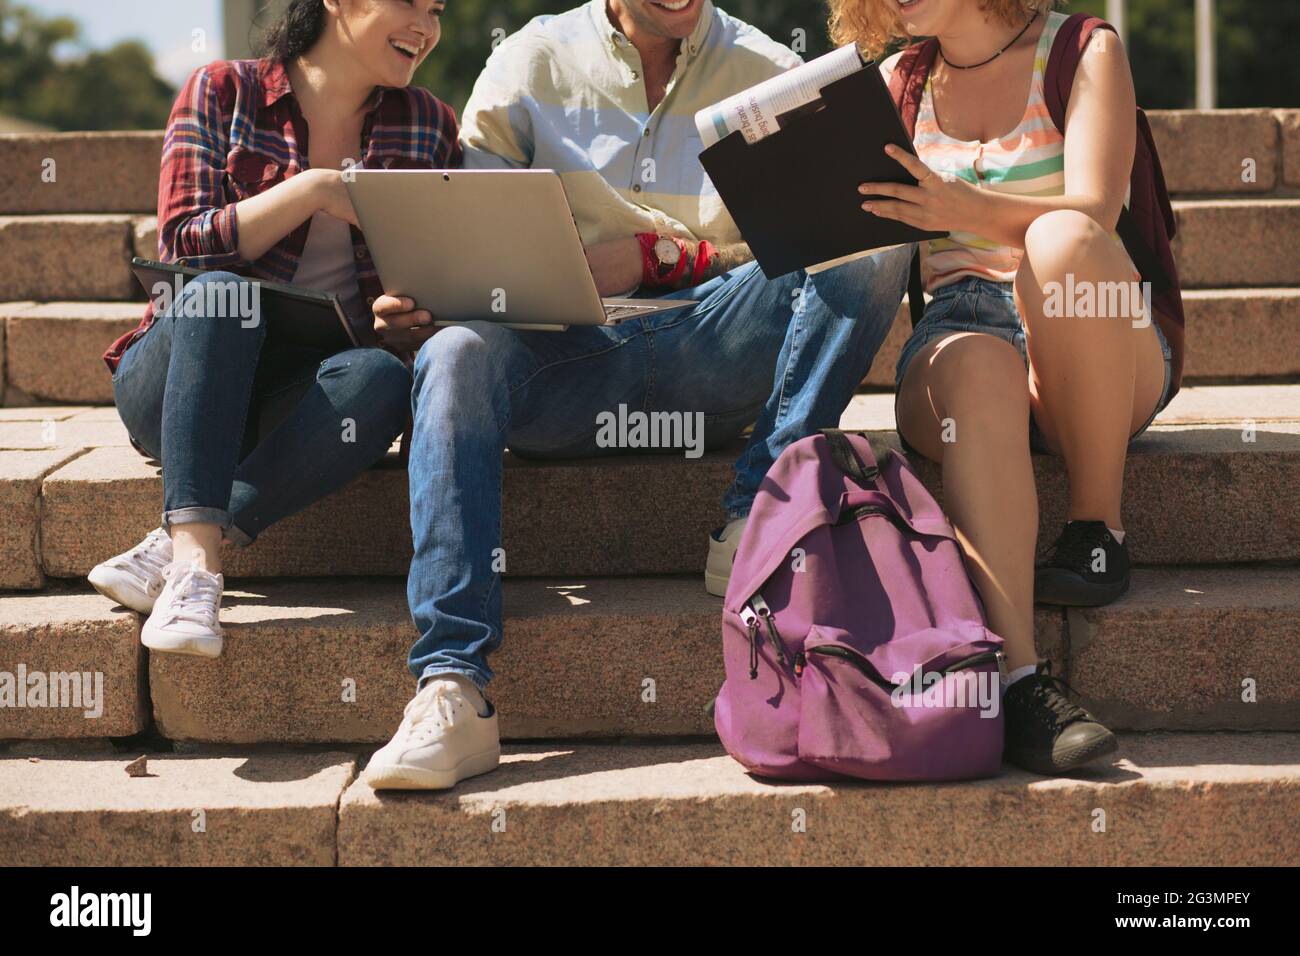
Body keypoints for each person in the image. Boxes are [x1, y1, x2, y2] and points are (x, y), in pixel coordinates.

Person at [362, 0, 913, 790]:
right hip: (566, 361)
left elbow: (807, 235)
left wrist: (657, 258)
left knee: (867, 240)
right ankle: (452, 687)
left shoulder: (772, 72)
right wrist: (426, 301)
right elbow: (469, 232)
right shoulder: (529, 61)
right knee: (453, 350)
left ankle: (758, 508)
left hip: (713, 349)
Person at [837, 0, 1177, 773]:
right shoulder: (897, 83)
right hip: (964, 333)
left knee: (1061, 239)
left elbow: (1096, 212)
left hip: (1091, 331)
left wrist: (965, 210)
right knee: (980, 360)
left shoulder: (1083, 50)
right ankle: (1019, 685)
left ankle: (1097, 530)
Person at [89, 0, 461, 659]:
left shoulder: (428, 123)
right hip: (178, 377)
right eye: (409, 2)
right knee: (226, 296)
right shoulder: (224, 91)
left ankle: (175, 547)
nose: (425, 28)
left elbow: (431, 279)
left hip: (301, 399)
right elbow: (184, 247)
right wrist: (314, 190)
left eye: (436, 10)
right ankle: (200, 568)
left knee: (382, 377)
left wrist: (399, 321)